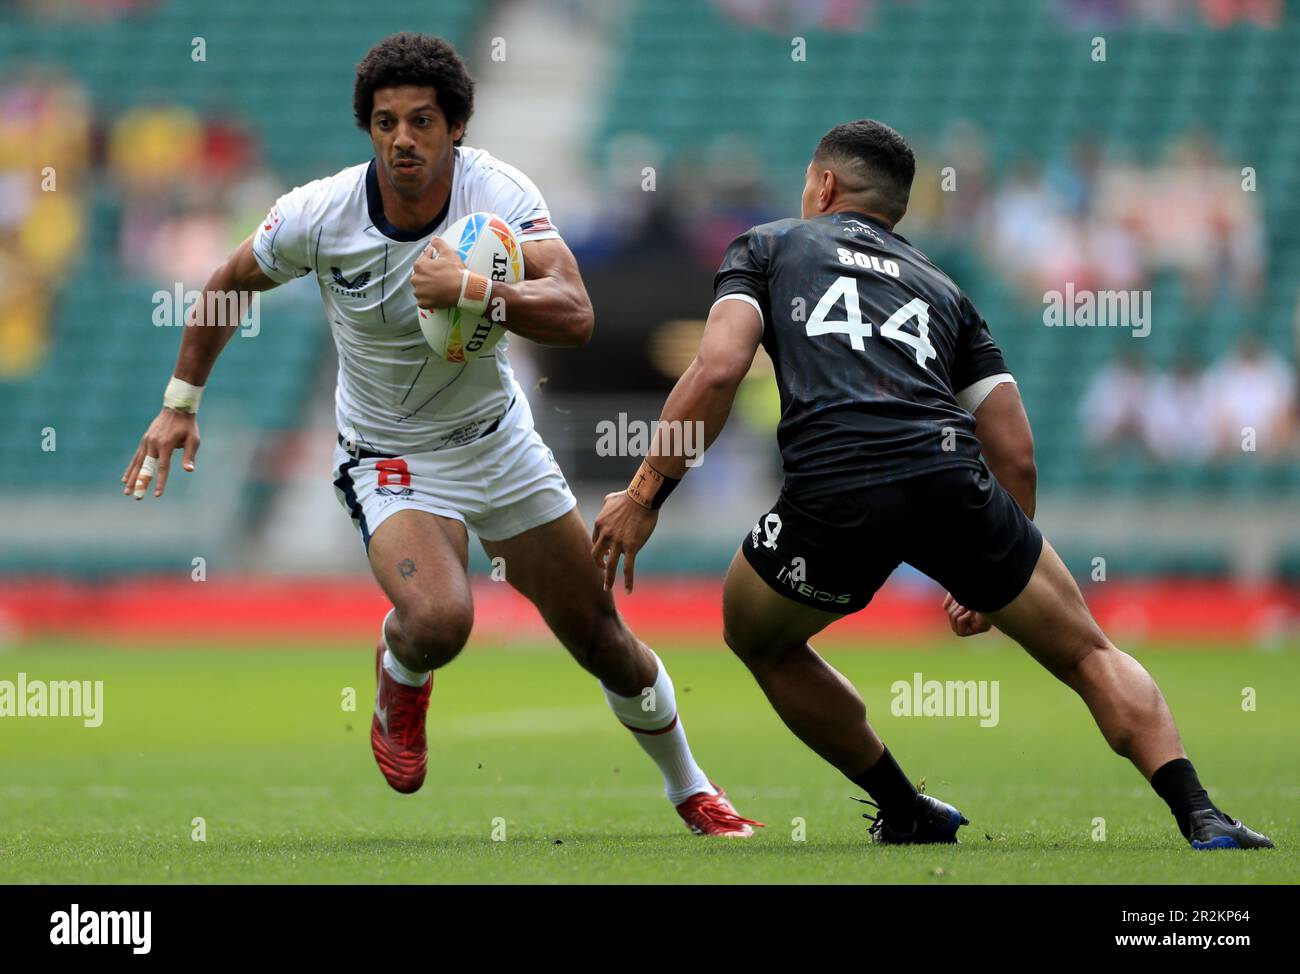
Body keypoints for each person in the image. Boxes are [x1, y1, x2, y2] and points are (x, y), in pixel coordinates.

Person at [120, 32, 760, 838]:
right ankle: (401, 672)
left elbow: (576, 312)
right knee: (440, 619)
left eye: (422, 121)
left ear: (455, 127)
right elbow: (226, 283)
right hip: (389, 455)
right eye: (385, 122)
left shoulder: (498, 193)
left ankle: (691, 790)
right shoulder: (320, 214)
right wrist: (181, 401)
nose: (402, 139)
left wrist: (472, 290)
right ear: (369, 130)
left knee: (602, 637)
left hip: (498, 441)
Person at [592, 119, 1273, 850]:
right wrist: (989, 571)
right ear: (897, 208)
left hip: (835, 486)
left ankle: (904, 807)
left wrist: (642, 494)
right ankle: (1200, 813)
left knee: (758, 638)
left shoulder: (769, 245)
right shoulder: (945, 289)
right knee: (1088, 652)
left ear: (823, 185)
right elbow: (1015, 451)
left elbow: (718, 368)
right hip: (949, 474)